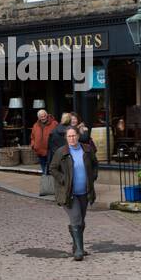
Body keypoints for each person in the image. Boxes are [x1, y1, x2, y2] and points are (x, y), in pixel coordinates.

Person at [51, 125, 97, 261]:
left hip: (84, 192)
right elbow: (53, 168)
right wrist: (63, 178)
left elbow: (95, 164)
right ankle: (79, 250)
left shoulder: (87, 150)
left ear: (78, 136)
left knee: (81, 221)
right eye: (69, 136)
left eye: (74, 135)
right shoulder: (61, 152)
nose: (72, 138)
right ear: (66, 138)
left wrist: (93, 177)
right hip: (68, 193)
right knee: (76, 217)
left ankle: (76, 245)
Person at [30, 108, 57, 175]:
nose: (43, 118)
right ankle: (45, 181)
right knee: (43, 167)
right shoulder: (35, 125)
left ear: (47, 115)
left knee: (51, 168)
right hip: (39, 151)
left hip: (50, 151)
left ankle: (49, 181)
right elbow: (32, 137)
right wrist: (33, 145)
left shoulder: (54, 123)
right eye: (41, 117)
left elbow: (58, 136)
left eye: (44, 116)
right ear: (38, 117)